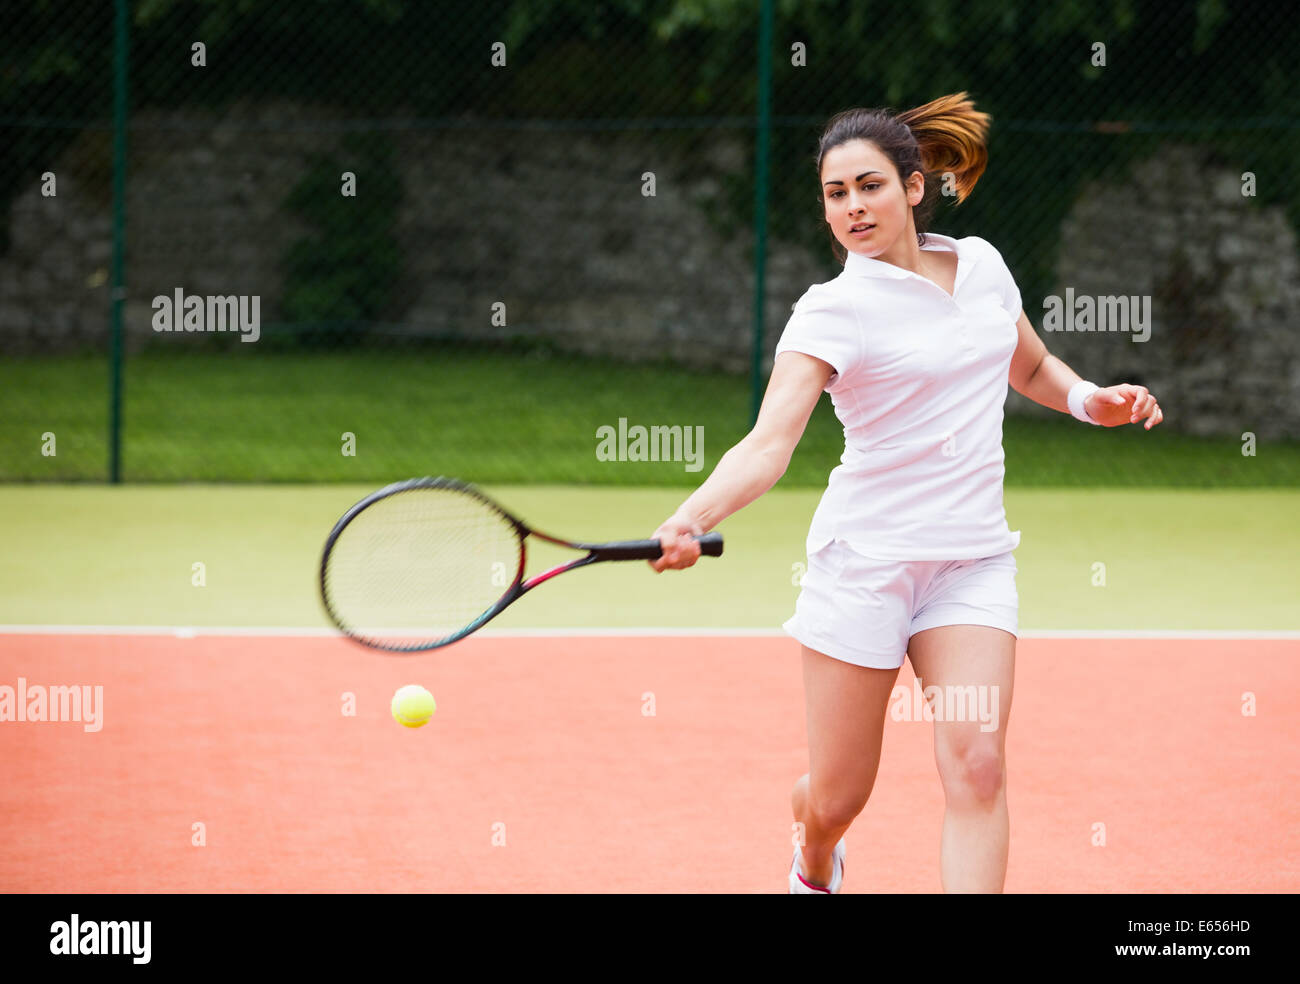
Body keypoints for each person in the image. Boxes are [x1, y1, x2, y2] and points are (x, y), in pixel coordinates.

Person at [647, 92, 1163, 894]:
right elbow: (769, 442)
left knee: (979, 767)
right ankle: (814, 847)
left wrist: (1088, 398)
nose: (853, 207)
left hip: (971, 564)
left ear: (915, 188)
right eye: (835, 193)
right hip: (866, 566)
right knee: (841, 795)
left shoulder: (983, 265)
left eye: (869, 186)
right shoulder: (832, 311)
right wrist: (691, 516)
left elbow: (1026, 365)